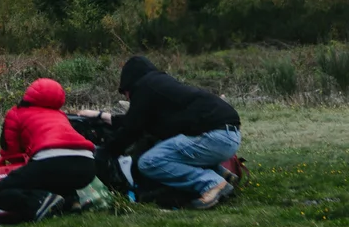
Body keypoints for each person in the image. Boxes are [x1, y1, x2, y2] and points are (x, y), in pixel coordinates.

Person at [94, 55, 241, 210]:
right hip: (229, 136)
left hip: (214, 137)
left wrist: (106, 151)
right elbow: (139, 122)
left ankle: (211, 182)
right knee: (165, 147)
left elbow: (132, 129)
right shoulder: (159, 85)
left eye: (125, 94)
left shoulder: (144, 88)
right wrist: (101, 116)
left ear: (128, 84)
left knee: (149, 162)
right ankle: (222, 174)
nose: (128, 98)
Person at [0, 77, 98, 222]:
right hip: (87, 165)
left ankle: (41, 202)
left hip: (50, 162)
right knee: (58, 175)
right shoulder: (60, 115)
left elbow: (11, 152)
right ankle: (72, 202)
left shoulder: (17, 113)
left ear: (29, 93)